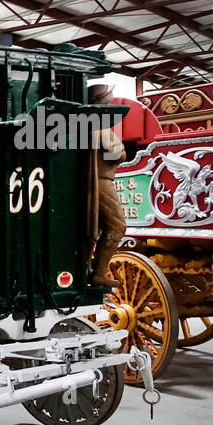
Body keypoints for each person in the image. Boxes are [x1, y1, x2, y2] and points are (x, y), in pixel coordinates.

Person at [87, 84, 127, 287]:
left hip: (103, 180)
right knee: (117, 226)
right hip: (101, 182)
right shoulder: (98, 126)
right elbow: (116, 153)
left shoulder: (97, 126)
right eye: (109, 100)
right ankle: (99, 273)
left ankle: (96, 271)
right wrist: (120, 148)